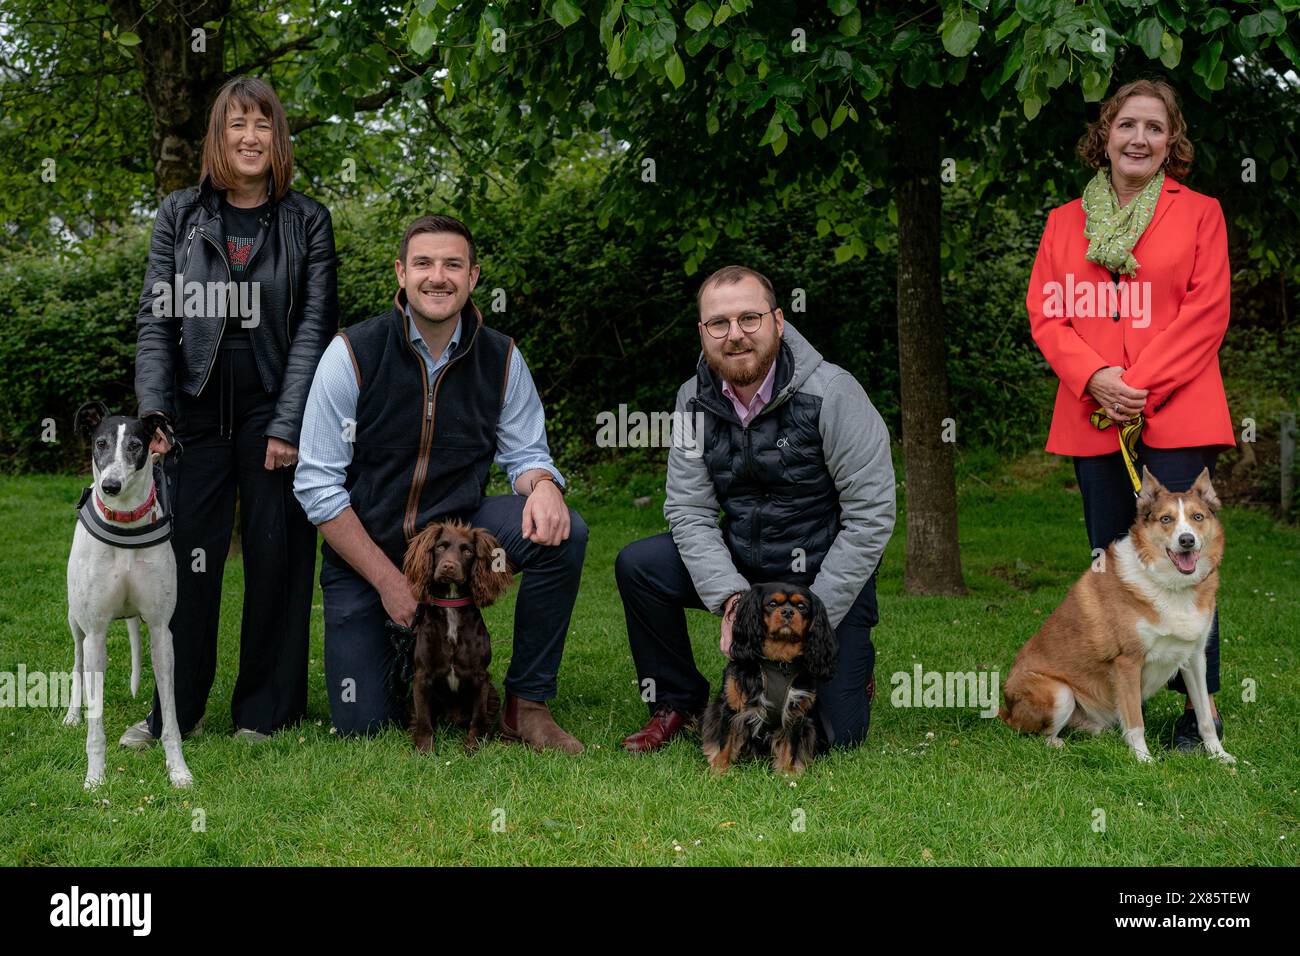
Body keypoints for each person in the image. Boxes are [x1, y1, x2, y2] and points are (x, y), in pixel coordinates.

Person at [294, 214, 588, 753]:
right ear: (401, 274)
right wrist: (389, 581)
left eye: (453, 264)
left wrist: (544, 482)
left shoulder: (501, 357)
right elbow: (317, 486)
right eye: (424, 263)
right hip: (370, 557)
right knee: (365, 722)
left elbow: (524, 452)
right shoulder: (352, 354)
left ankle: (526, 703)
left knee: (562, 533)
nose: (438, 276)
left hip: (464, 540)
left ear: (473, 277)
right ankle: (401, 645)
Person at [126, 75, 338, 747]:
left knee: (278, 558)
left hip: (275, 403)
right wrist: (154, 412)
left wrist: (288, 422)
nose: (250, 138)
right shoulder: (180, 214)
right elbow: (157, 321)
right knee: (184, 563)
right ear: (218, 138)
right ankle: (174, 712)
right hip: (193, 412)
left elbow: (314, 326)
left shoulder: (308, 220)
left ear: (279, 138)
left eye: (263, 125)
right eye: (236, 125)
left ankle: (264, 711)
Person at [1026, 78, 1234, 751]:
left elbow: (1207, 313)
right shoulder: (1064, 221)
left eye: (1154, 127)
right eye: (1126, 125)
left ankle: (1197, 710)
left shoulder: (1201, 213)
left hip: (1177, 409)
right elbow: (1046, 313)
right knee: (1113, 559)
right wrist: (1096, 378)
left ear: (1171, 141)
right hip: (1092, 412)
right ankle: (1116, 692)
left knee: (1185, 556)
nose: (1139, 138)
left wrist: (1136, 385)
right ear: (1105, 135)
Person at [616, 265, 896, 753]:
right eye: (719, 323)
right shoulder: (691, 400)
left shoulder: (833, 393)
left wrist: (815, 612)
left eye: (750, 318)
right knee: (640, 566)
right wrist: (731, 600)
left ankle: (853, 675)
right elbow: (688, 509)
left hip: (820, 575)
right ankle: (676, 701)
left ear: (778, 321)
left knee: (834, 738)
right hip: (745, 564)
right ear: (703, 333)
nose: (736, 335)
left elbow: (871, 515)